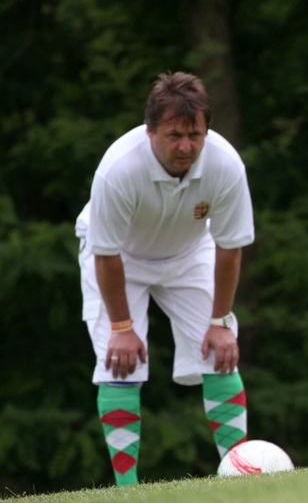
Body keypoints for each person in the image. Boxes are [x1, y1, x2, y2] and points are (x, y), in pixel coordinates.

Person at [75, 72, 254, 485]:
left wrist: (220, 322)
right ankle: (127, 491)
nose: (186, 146)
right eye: (174, 135)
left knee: (221, 353)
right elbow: (105, 254)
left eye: (195, 134)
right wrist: (122, 328)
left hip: (190, 252)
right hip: (118, 258)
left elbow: (230, 246)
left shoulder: (225, 165)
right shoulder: (118, 170)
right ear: (150, 130)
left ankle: (241, 475)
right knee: (119, 363)